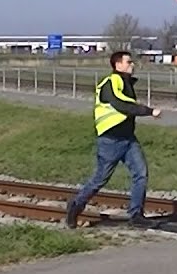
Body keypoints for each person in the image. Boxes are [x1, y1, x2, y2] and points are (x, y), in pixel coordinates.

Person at [65, 50, 161, 228]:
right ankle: (75, 205)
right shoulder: (111, 82)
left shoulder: (125, 82)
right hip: (110, 140)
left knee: (140, 174)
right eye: (128, 62)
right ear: (118, 65)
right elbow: (121, 104)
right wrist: (149, 111)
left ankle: (136, 216)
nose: (132, 65)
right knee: (100, 179)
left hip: (128, 139)